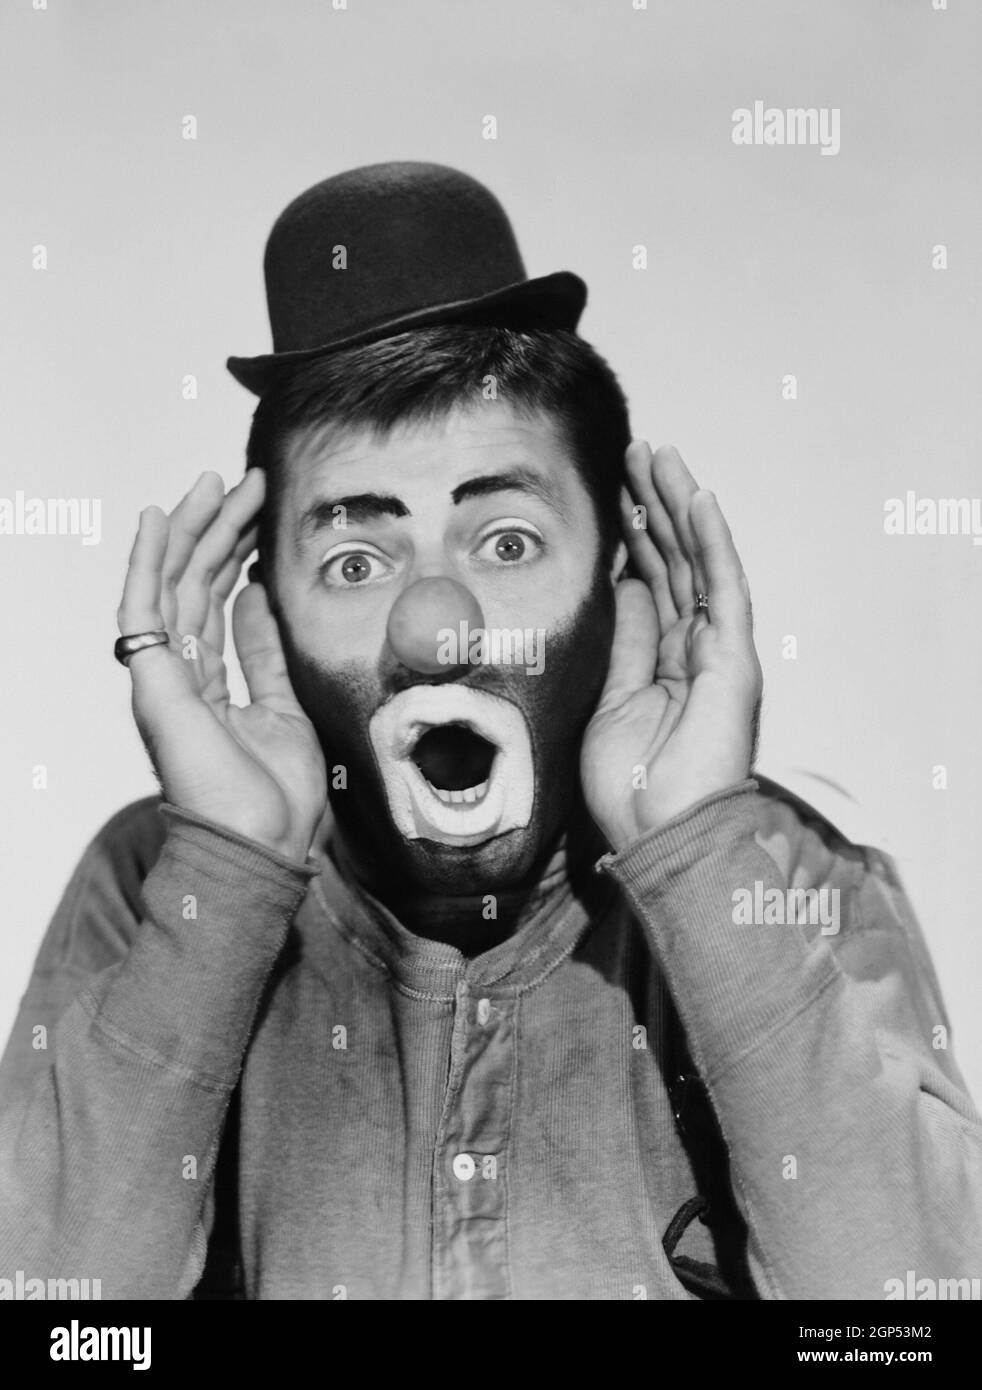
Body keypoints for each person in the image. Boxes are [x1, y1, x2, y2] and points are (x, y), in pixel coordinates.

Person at [2, 163, 980, 1301]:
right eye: (357, 561)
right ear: (267, 605)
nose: (438, 631)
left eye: (506, 542)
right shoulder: (154, 882)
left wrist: (700, 854)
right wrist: (225, 873)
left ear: (617, 560)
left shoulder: (789, 878)